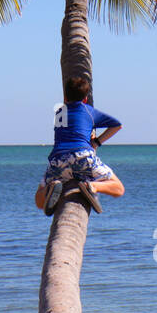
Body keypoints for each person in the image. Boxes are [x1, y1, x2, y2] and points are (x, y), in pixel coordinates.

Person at [35, 76, 125, 216]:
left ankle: (50, 189)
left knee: (39, 200)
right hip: (82, 157)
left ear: (65, 97)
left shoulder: (59, 112)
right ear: (85, 99)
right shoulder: (89, 111)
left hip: (58, 160)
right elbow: (117, 125)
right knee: (119, 188)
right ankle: (93, 186)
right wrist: (96, 142)